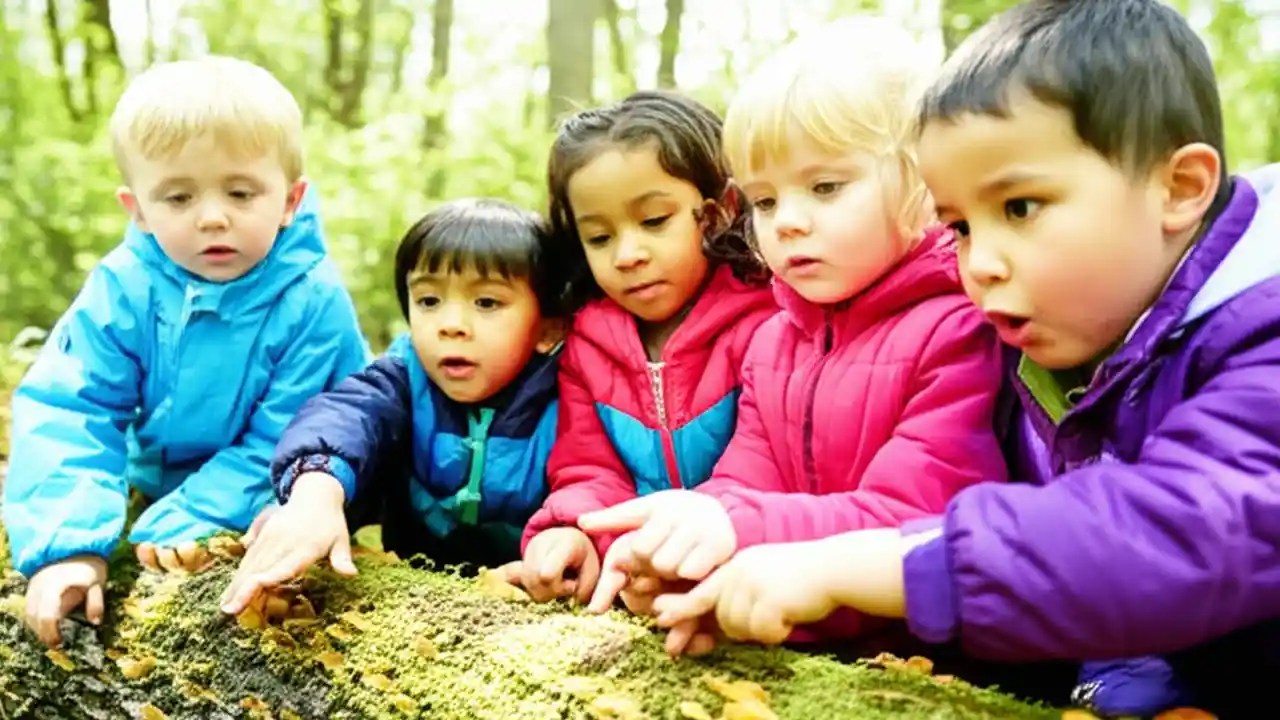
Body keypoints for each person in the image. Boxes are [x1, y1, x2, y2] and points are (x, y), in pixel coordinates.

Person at [645, 2, 1280, 717]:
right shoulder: (1071, 337)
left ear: (1180, 187)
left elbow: (1180, 529)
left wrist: (872, 563)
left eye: (1020, 208)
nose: (979, 264)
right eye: (961, 227)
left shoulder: (1264, 332)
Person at [578, 17, 1005, 656]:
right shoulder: (775, 343)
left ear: (921, 183)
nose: (789, 223)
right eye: (767, 202)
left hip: (933, 660)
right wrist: (683, 563)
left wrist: (736, 528)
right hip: (808, 638)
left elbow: (914, 523)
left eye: (825, 187)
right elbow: (745, 480)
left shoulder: (958, 329)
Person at [5, 55, 369, 648]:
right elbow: (70, 406)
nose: (212, 217)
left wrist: (196, 512)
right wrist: (69, 545)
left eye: (240, 191)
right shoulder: (124, 288)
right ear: (139, 209)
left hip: (272, 488)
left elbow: (294, 436)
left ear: (289, 200)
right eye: (178, 198)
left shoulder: (314, 300)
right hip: (152, 475)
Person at [218, 198, 567, 615]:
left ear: (549, 328)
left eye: (487, 303)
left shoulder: (568, 399)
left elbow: (593, 481)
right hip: (411, 584)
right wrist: (314, 494)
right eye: (429, 301)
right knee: (341, 469)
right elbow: (347, 414)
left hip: (532, 591)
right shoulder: (403, 379)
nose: (449, 324)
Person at [516, 90, 777, 606]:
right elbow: (589, 469)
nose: (628, 255)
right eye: (599, 237)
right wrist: (577, 535)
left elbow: (766, 471)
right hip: (636, 580)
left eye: (655, 222)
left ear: (719, 210)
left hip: (751, 574)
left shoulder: (766, 323)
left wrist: (676, 553)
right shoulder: (588, 345)